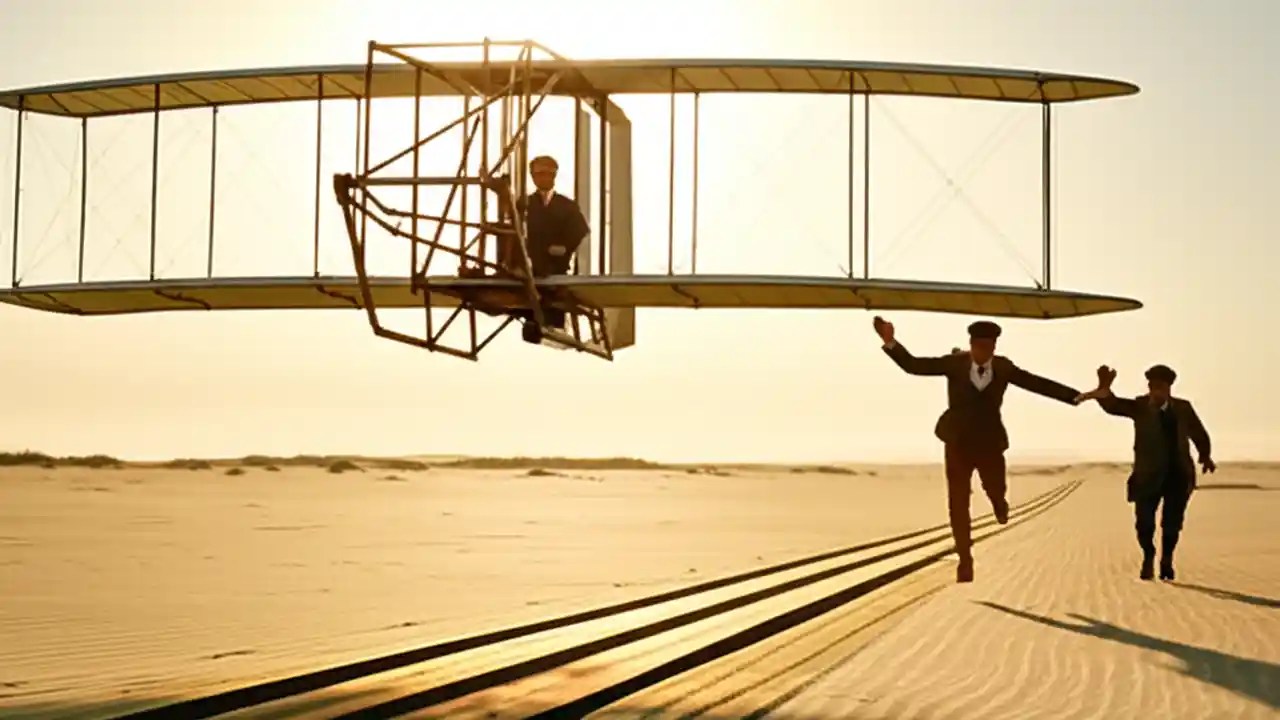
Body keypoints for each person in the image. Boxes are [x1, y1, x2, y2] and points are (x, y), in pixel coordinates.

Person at [873, 315, 1087, 583]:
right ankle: (965, 559)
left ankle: (999, 503)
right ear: (971, 345)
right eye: (979, 346)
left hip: (989, 443)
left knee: (995, 487)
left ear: (994, 347)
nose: (984, 352)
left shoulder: (1004, 367)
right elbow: (915, 366)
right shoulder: (954, 363)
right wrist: (891, 342)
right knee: (958, 503)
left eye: (989, 347)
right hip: (957, 442)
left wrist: (1074, 396)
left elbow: (1035, 383)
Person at [1075, 364, 1214, 581]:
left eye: (1159, 387)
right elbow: (1115, 406)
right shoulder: (1140, 406)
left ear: (1168, 388)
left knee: (1172, 523)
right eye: (1151, 386)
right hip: (1147, 476)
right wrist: (1104, 393)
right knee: (1144, 524)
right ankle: (1148, 554)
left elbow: (1198, 432)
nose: (1154, 391)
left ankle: (1167, 559)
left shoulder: (1183, 408)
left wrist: (1205, 455)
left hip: (1178, 475)